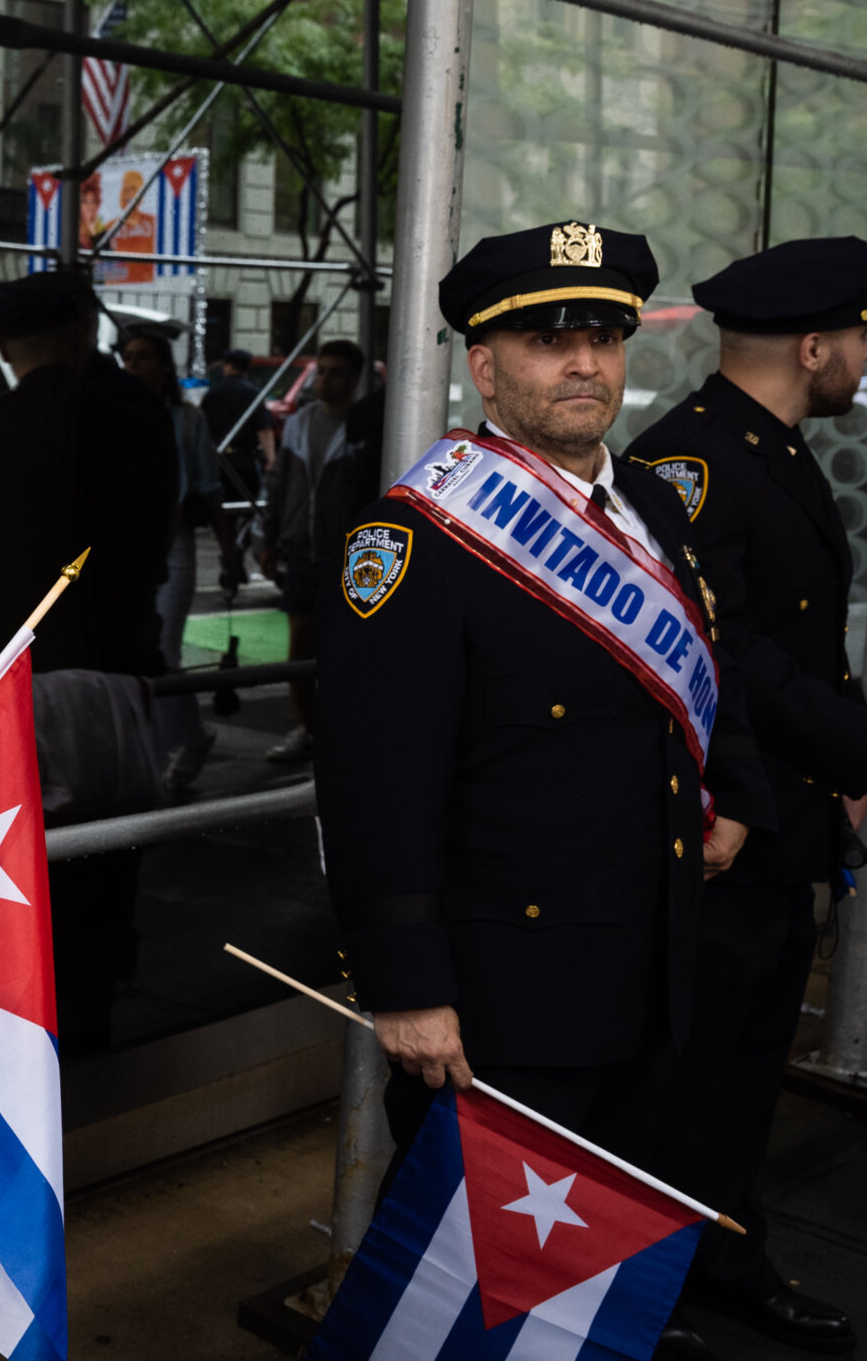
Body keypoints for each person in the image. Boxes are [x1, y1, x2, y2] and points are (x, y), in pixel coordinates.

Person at [314, 225, 774, 1348]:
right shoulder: (417, 538)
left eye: (603, 336)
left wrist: (737, 795)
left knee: (579, 1279)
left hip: (645, 965)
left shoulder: (652, 512)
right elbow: (374, 780)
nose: (583, 363)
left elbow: (703, 679)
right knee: (467, 1292)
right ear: (483, 366)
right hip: (501, 997)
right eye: (545, 338)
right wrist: (405, 985)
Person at [625, 237, 866, 1355]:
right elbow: (726, 656)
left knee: (740, 1069)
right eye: (856, 340)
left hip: (784, 816)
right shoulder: (689, 461)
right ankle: (642, 1289)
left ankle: (721, 1254)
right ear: (813, 345)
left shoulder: (765, 447)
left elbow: (799, 648)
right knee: (681, 1071)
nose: (860, 362)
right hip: (721, 826)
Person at [0, 268, 176, 1053]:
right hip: (119, 659)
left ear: (6, 345)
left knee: (23, 853)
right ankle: (97, 993)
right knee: (110, 847)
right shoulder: (139, 412)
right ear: (81, 331)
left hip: (18, 666)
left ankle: (35, 1011)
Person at [118, 322, 217, 789]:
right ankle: (184, 739)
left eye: (142, 356)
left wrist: (232, 551)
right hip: (128, 541)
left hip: (171, 542)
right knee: (141, 650)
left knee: (164, 650)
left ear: (163, 365)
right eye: (128, 356)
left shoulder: (186, 418)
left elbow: (205, 485)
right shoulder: (114, 411)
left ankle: (173, 746)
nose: (132, 364)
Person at [260, 339, 365, 763]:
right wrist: (269, 538)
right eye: (321, 370)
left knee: (345, 645)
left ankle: (341, 728)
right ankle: (305, 727)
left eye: (335, 371)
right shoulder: (302, 422)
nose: (324, 379)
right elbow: (279, 484)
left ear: (354, 378)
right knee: (300, 640)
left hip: (348, 553)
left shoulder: (364, 429)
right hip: (303, 547)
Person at [200, 347, 276, 596]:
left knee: (224, 519)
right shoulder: (253, 394)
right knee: (251, 512)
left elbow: (202, 430)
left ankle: (230, 558)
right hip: (244, 463)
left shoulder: (212, 394)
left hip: (217, 464)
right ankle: (237, 554)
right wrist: (271, 460)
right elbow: (264, 430)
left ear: (227, 366)